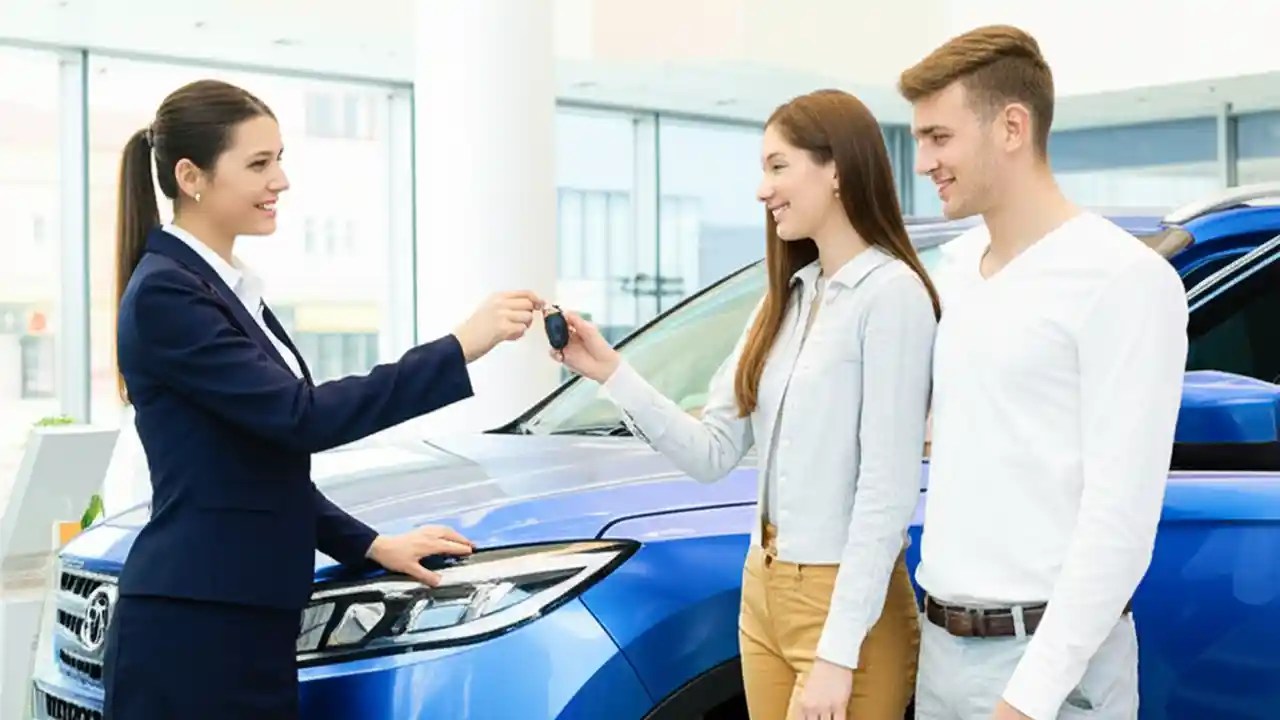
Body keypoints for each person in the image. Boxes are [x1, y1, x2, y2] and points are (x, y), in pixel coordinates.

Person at [102, 79, 543, 720]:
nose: (280, 180)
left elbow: (253, 464)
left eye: (280, 159)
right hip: (196, 628)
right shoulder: (171, 294)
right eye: (259, 163)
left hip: (241, 618)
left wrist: (367, 545)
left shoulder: (221, 288)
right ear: (191, 176)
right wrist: (458, 347)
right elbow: (299, 417)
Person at [553, 89, 939, 720]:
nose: (763, 190)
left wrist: (837, 656)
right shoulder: (784, 298)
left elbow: (887, 493)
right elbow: (712, 453)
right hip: (763, 586)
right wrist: (609, 370)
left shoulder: (891, 295)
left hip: (843, 602)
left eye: (778, 166)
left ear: (837, 169)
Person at [898, 26, 1189, 720]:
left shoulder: (1124, 279)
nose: (922, 162)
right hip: (940, 653)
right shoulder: (958, 268)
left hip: (1052, 676)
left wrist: (1025, 700)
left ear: (1012, 126)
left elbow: (1119, 523)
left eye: (939, 138)